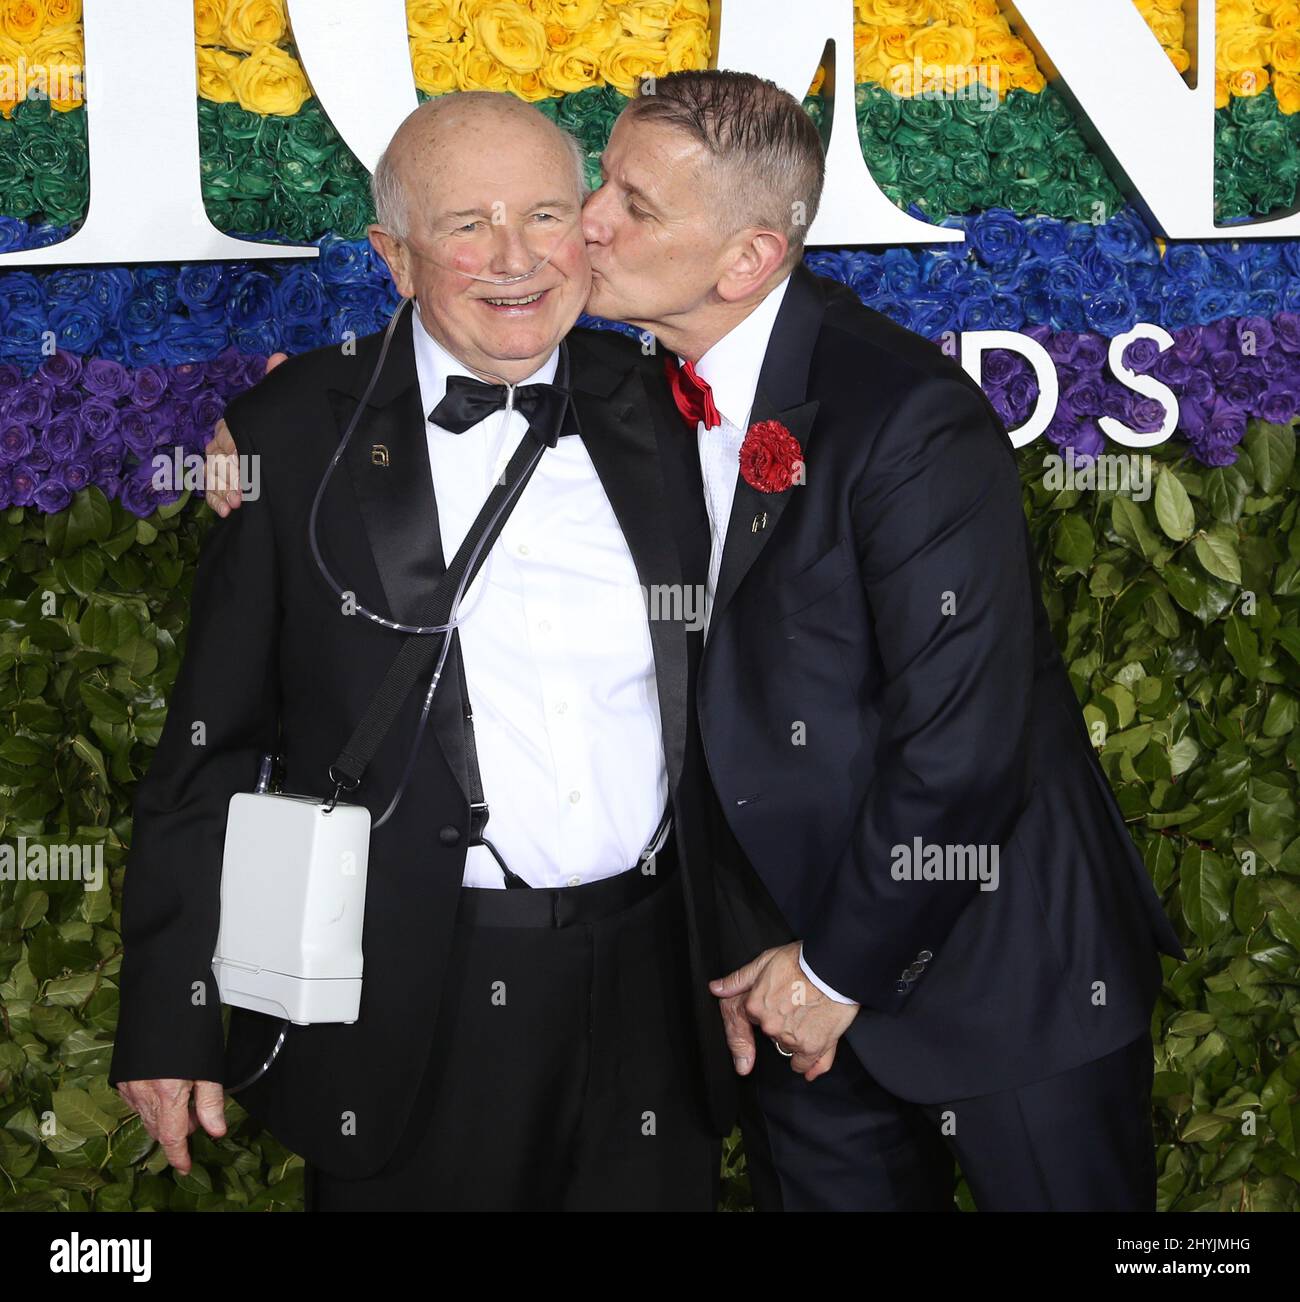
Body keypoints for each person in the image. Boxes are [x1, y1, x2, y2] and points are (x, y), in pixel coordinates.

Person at [205, 71, 1186, 1212]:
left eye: (632, 205)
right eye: (603, 181)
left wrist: (833, 973)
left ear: (745, 262)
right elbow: (424, 379)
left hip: (995, 973)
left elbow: (963, 747)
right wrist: (278, 431)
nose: (589, 222)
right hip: (772, 990)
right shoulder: (642, 389)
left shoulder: (904, 414)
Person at [108, 91, 734, 1213]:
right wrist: (169, 1017)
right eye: (464, 226)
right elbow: (210, 750)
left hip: (651, 981)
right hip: (412, 993)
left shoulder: (668, 406)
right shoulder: (289, 437)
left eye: (545, 215)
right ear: (394, 259)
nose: (514, 259)